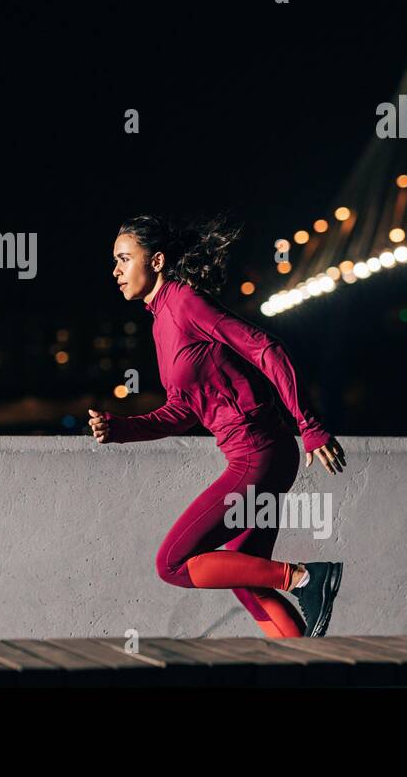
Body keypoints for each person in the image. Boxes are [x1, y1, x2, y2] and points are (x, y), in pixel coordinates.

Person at [89, 214, 347, 637]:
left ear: (155, 261)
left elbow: (267, 349)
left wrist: (310, 425)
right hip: (264, 453)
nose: (115, 271)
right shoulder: (161, 321)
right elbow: (184, 410)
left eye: (123, 259)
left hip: (257, 454)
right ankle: (307, 668)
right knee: (249, 583)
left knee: (172, 563)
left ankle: (305, 578)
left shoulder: (185, 302)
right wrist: (124, 429)